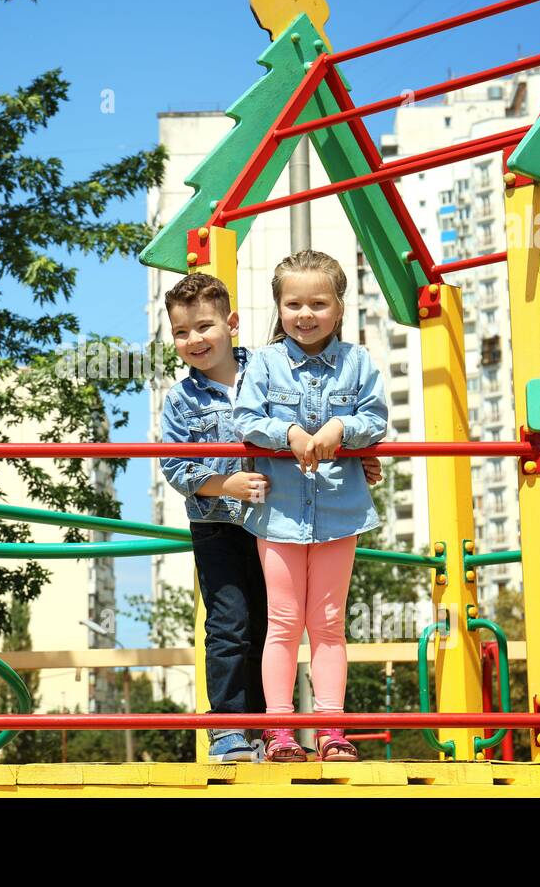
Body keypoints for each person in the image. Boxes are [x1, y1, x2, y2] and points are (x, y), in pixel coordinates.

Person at [159, 271, 382, 762]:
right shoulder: (180, 399)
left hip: (277, 515)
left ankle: (269, 727)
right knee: (230, 623)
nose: (195, 340)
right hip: (219, 520)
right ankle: (231, 728)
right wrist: (224, 483)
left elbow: (315, 421)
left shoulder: (269, 365)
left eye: (204, 327)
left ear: (232, 324)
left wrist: (357, 454)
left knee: (273, 621)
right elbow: (175, 465)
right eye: (181, 332)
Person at [233, 250, 389, 762]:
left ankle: (330, 727)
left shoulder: (358, 362)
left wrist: (341, 428)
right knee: (282, 620)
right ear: (278, 308)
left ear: (339, 308)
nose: (306, 314)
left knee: (327, 621)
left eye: (318, 303)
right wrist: (291, 433)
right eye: (293, 303)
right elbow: (248, 418)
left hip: (338, 508)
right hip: (277, 511)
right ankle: (279, 730)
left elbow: (375, 417)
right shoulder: (264, 362)